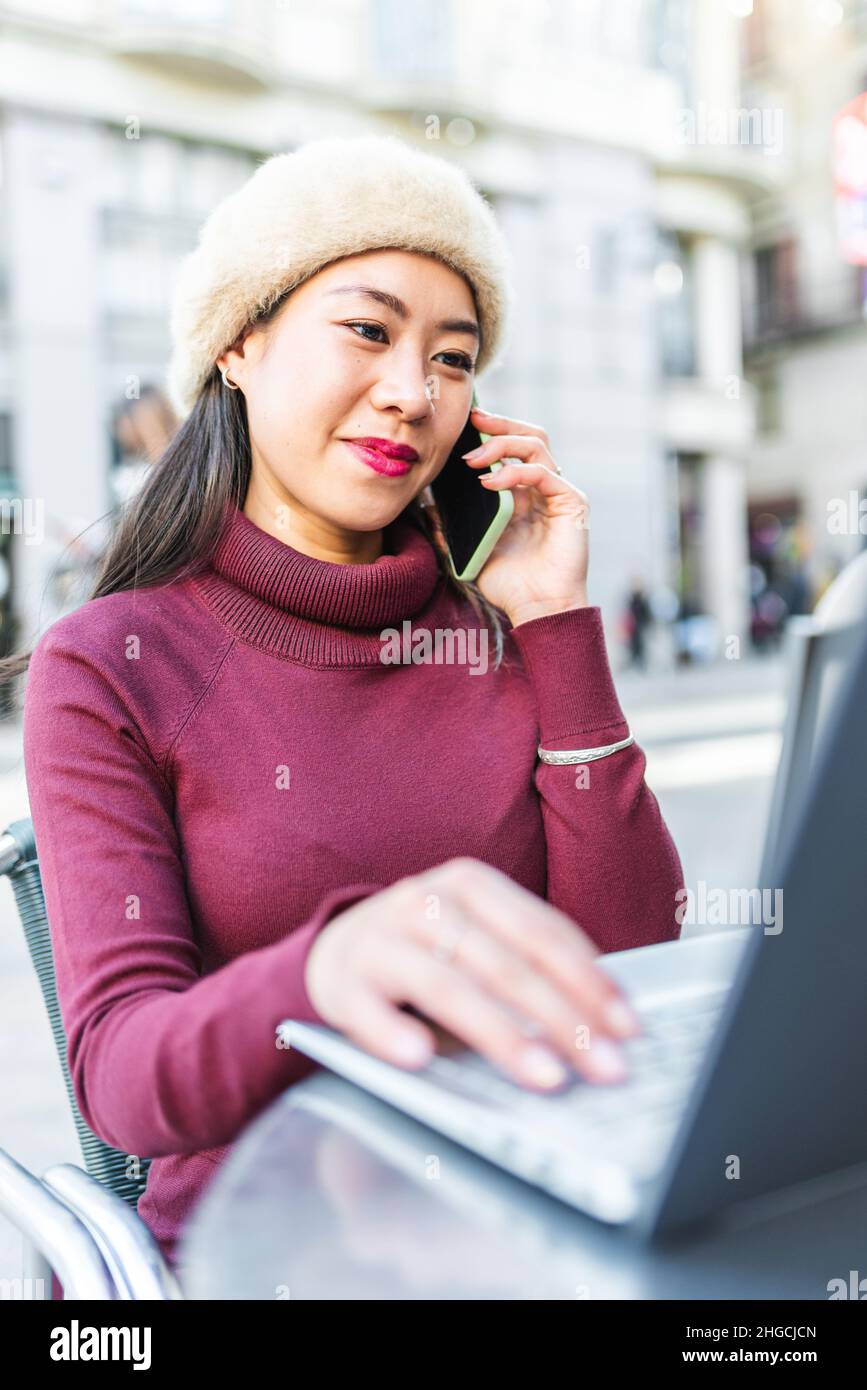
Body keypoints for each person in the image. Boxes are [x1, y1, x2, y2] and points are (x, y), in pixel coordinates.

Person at [8, 134, 685, 1281]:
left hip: (536, 1208)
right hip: (275, 1244)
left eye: (454, 358)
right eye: (368, 330)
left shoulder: (497, 623)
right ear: (239, 342)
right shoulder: (113, 663)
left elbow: (636, 966)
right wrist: (327, 967)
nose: (413, 392)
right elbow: (121, 1076)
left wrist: (554, 626)